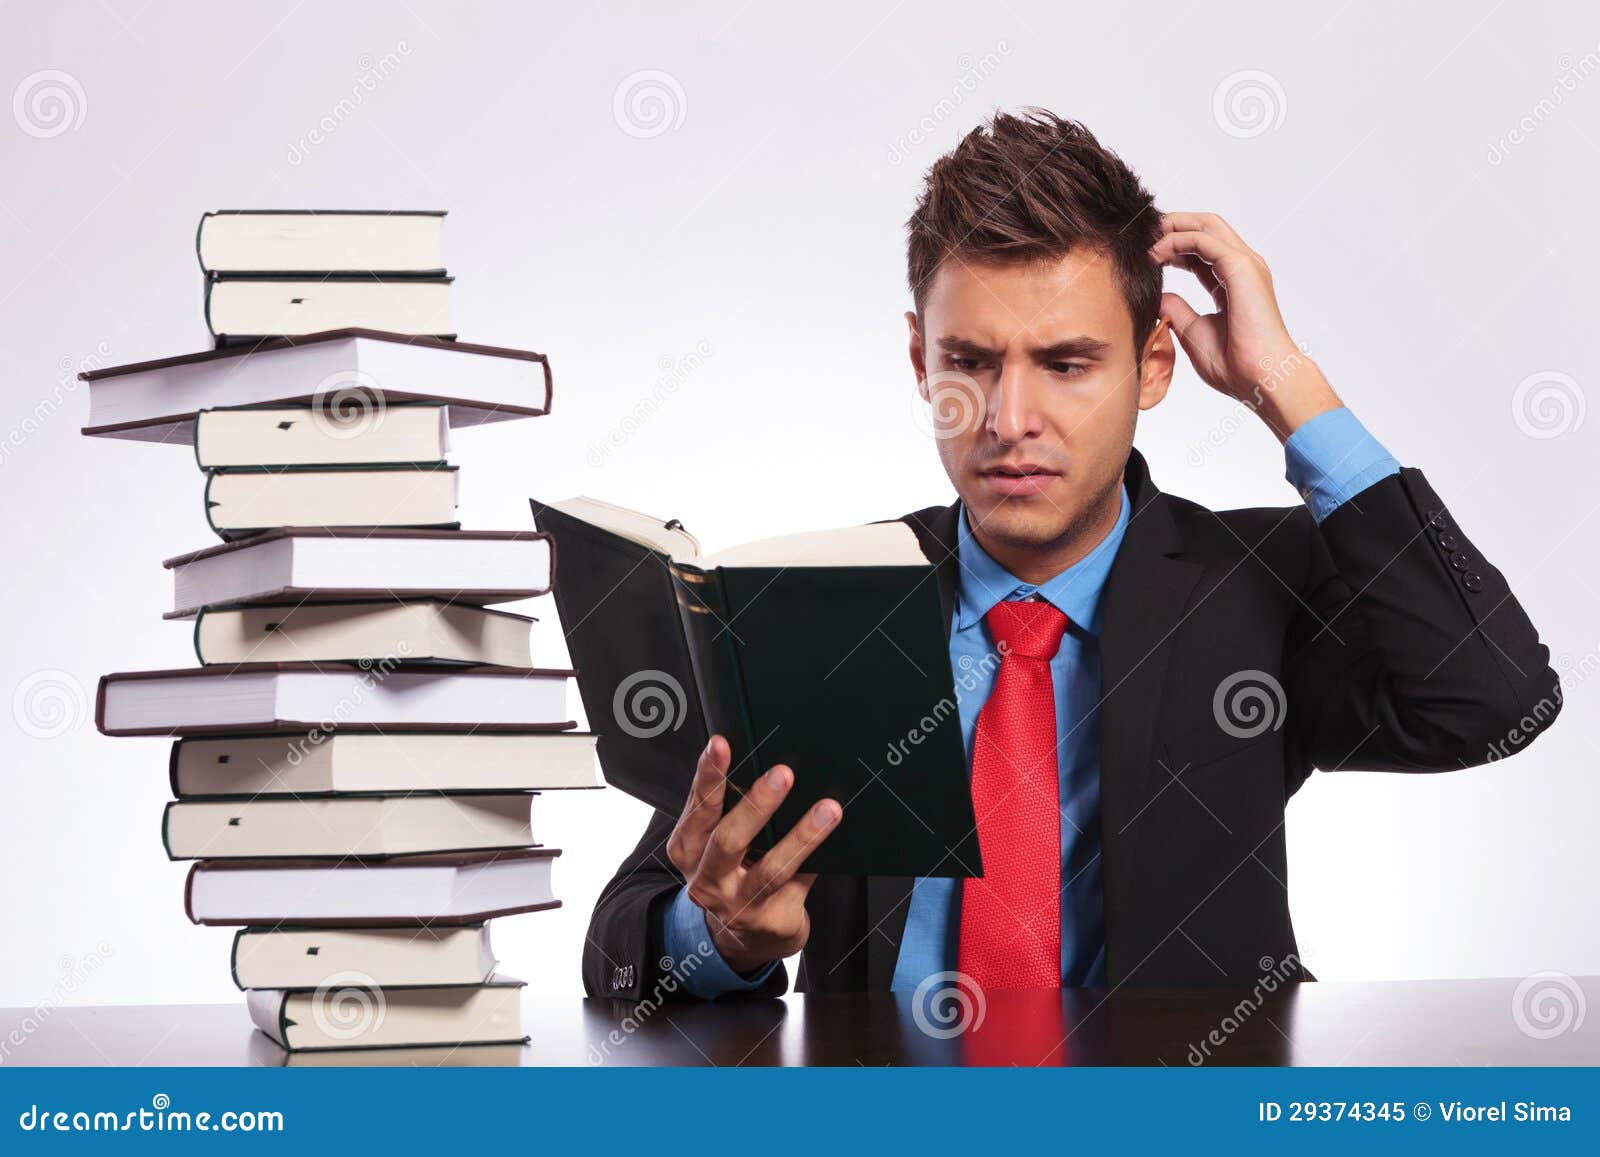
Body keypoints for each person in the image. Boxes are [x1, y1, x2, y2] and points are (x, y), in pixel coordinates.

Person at [584, 108, 1561, 1000]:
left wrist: (1283, 382)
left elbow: (1494, 700)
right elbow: (617, 951)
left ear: (1152, 366)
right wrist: (723, 932)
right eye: (969, 362)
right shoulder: (827, 604)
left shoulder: (1255, 584)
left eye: (1066, 363)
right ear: (921, 361)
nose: (1010, 420)